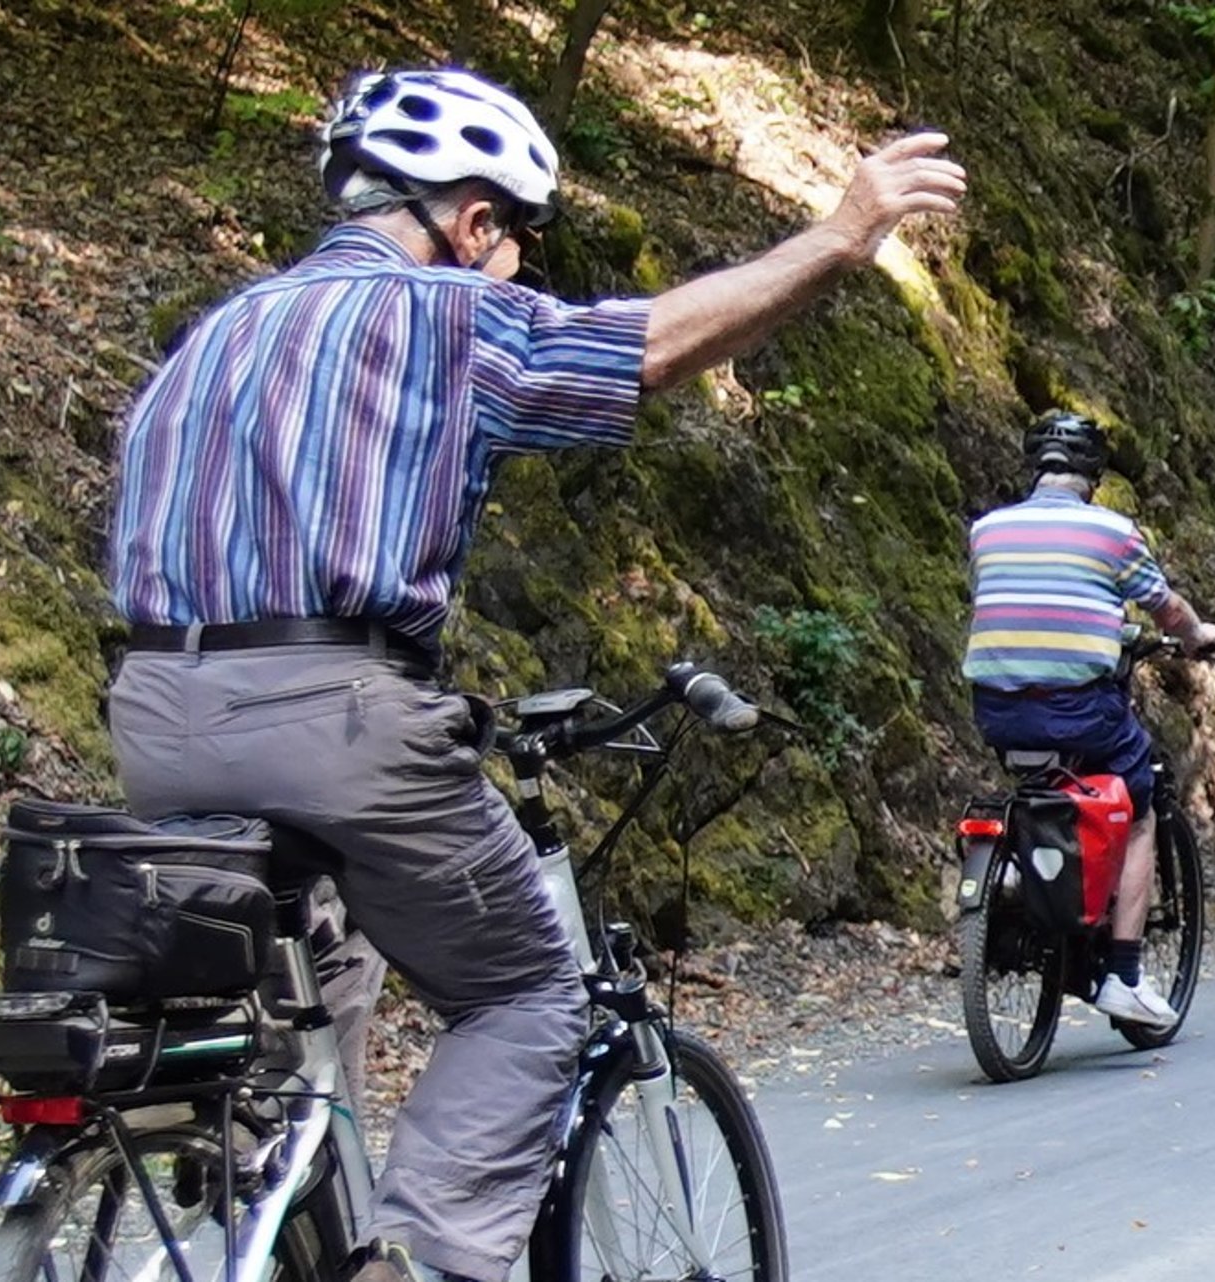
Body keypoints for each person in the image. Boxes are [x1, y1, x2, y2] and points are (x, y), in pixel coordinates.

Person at [100, 66, 963, 1282]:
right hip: (332, 717)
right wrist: (838, 235)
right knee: (526, 993)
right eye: (516, 243)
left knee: (321, 962)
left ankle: (285, 1208)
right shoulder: (440, 313)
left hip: (154, 719)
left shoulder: (215, 333)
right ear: (471, 222)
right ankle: (419, 1259)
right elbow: (652, 346)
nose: (517, 273)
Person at [962, 411, 1215, 1028]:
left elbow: (1010, 599)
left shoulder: (987, 530)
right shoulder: (1114, 533)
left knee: (1039, 788)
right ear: (1093, 474)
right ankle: (1125, 976)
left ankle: (1023, 887)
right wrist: (1198, 635)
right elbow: (1167, 608)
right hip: (1079, 709)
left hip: (996, 709)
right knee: (1138, 810)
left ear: (1035, 468)